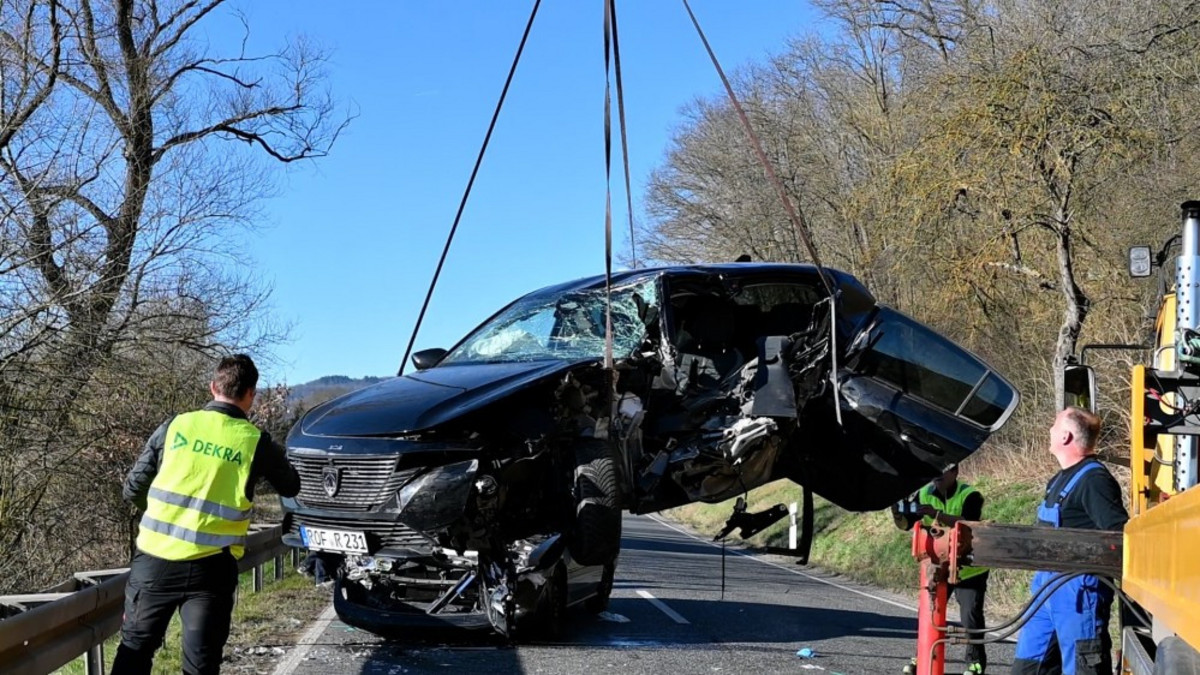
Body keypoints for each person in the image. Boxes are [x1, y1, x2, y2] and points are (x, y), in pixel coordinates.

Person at [112, 354, 300, 675]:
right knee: (202, 663)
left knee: (136, 650)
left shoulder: (175, 426)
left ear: (213, 387)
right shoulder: (256, 442)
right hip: (211, 570)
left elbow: (133, 488)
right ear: (251, 395)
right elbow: (291, 485)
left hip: (156, 559)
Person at [1012, 407, 1128, 675]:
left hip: (1078, 596)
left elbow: (1120, 535)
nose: (1050, 430)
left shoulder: (1094, 480)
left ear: (1065, 436)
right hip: (1046, 591)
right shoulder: (1058, 480)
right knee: (1028, 669)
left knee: (1082, 669)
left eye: (1054, 425)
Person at [897, 465, 989, 675]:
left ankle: (975, 664)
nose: (937, 476)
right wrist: (899, 512)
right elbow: (908, 522)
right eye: (935, 472)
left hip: (969, 568)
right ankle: (922, 657)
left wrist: (937, 514)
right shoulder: (923, 493)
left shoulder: (971, 495)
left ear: (955, 472)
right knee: (928, 613)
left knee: (970, 617)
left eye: (944, 471)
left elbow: (969, 524)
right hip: (938, 566)